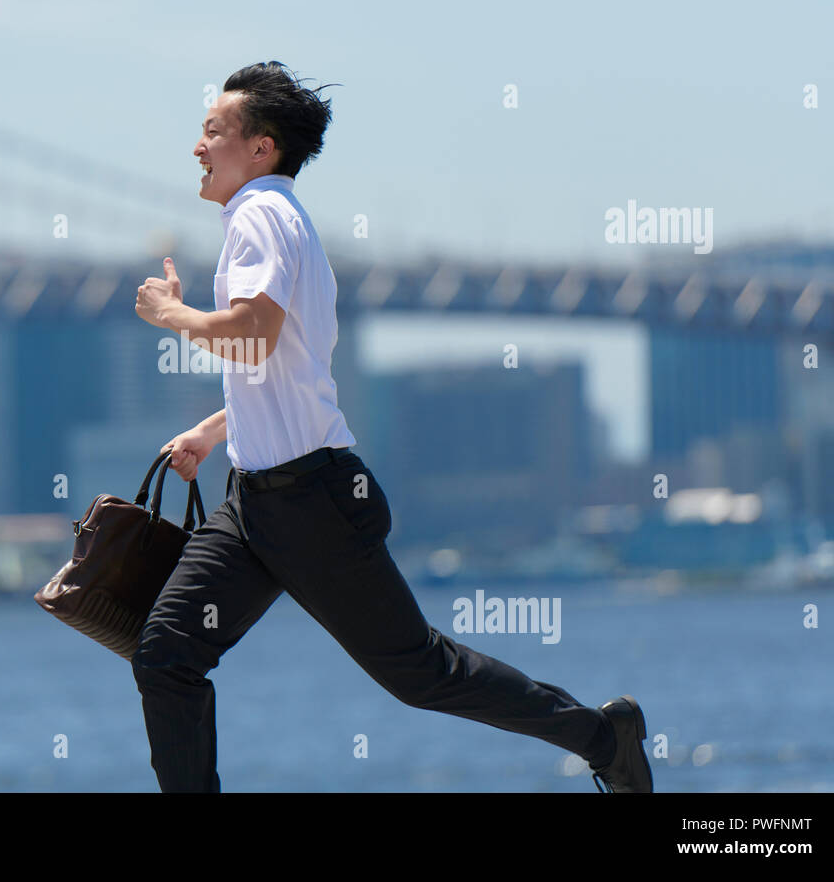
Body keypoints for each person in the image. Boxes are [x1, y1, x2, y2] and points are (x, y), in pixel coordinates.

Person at [132, 60, 652, 793]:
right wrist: (215, 431)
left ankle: (603, 737)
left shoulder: (261, 215)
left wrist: (171, 316)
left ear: (261, 148)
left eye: (213, 130)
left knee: (420, 674)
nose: (196, 145)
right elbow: (289, 365)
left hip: (309, 504)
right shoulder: (273, 222)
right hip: (258, 501)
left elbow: (250, 335)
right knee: (166, 652)